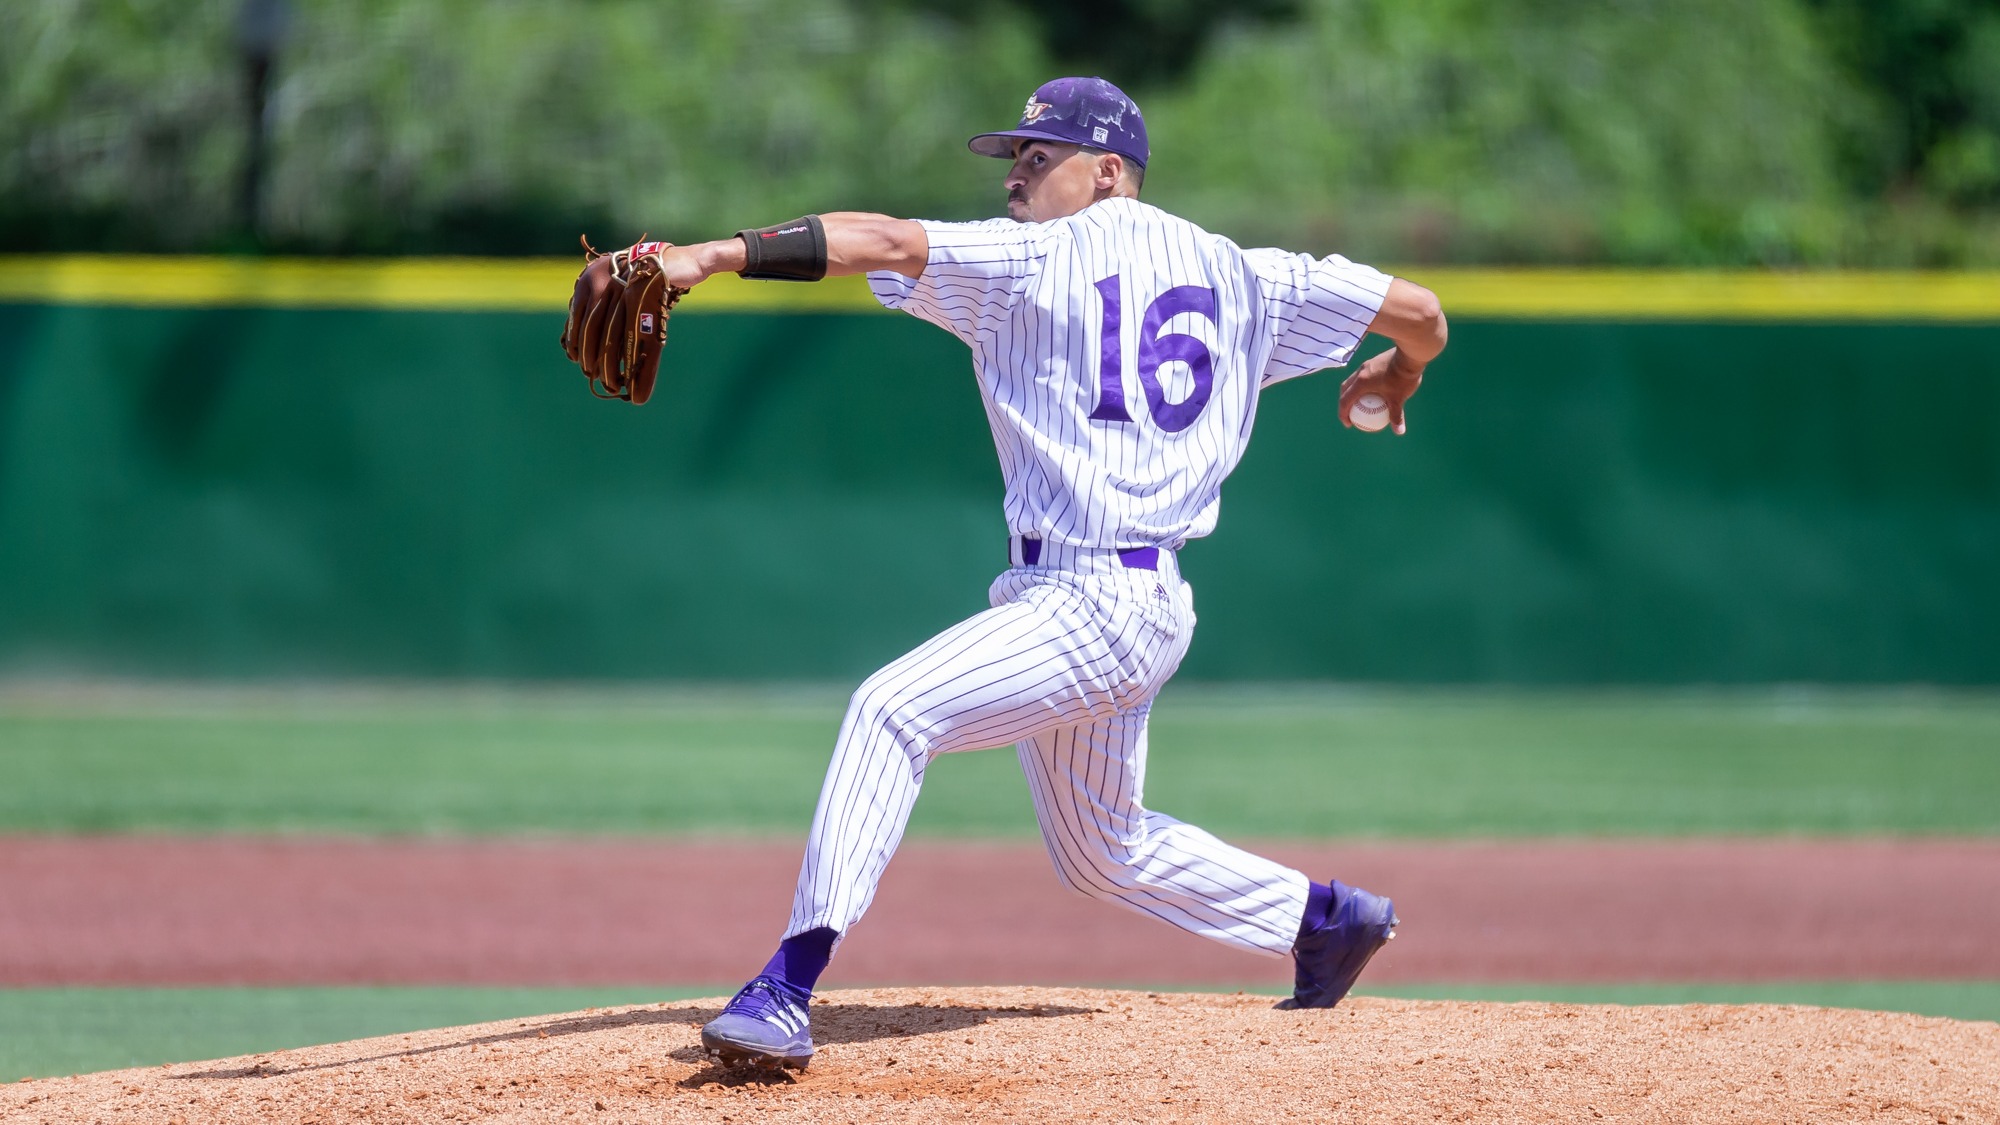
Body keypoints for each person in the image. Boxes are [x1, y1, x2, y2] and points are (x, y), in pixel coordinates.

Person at [618, 76, 1446, 1070]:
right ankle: (1321, 921)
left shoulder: (1029, 257)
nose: (1016, 171)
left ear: (1108, 173)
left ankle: (785, 987)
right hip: (1136, 599)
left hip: (1088, 600)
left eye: (1038, 155)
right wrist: (1397, 372)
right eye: (1014, 154)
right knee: (1102, 849)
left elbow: (878, 240)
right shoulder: (1249, 275)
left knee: (891, 710)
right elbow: (1420, 312)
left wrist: (709, 254)